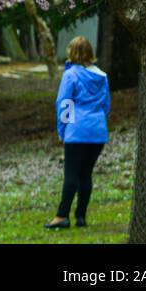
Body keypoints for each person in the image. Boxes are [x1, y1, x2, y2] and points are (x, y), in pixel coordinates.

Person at [44, 35, 110, 230]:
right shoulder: (102, 76)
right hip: (98, 131)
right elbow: (106, 106)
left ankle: (62, 216)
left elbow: (64, 103)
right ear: (90, 53)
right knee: (86, 174)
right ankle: (80, 216)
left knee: (71, 174)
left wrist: (62, 129)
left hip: (77, 129)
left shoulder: (71, 74)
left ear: (71, 53)